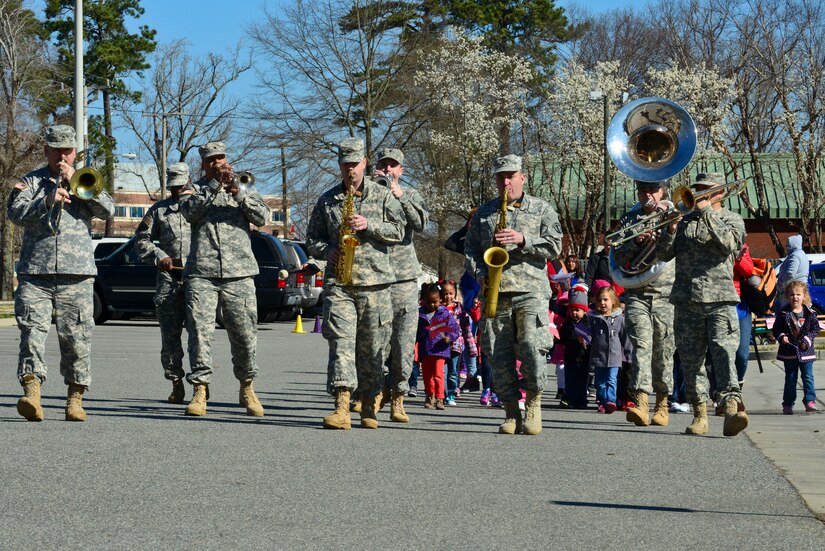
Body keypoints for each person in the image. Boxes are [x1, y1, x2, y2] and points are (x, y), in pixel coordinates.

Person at [9, 124, 115, 422]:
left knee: (76, 338)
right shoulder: (30, 181)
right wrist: (45, 200)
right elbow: (14, 213)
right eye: (56, 151)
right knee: (31, 333)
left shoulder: (87, 179)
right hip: (36, 273)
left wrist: (78, 184)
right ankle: (32, 393)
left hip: (76, 274)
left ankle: (75, 398)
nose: (62, 156)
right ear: (46, 150)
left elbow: (108, 210)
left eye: (67, 151)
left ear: (74, 152)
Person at [306, 137, 405, 430]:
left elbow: (399, 231)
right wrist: (327, 250)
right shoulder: (327, 199)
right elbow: (312, 240)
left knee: (373, 348)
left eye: (354, 164)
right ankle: (341, 406)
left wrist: (369, 225)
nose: (350, 170)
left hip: (376, 283)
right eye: (345, 164)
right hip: (340, 283)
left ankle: (370, 403)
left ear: (364, 163)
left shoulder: (383, 195)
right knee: (341, 344)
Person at [464, 154, 563, 435]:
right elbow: (470, 250)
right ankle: (510, 411)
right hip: (495, 291)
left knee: (532, 346)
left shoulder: (542, 209)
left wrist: (523, 240)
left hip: (531, 291)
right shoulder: (484, 212)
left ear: (522, 177)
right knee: (497, 354)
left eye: (510, 176)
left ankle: (533, 403)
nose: (505, 182)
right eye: (500, 177)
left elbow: (555, 246)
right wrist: (481, 273)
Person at [179, 141, 271, 417]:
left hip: (239, 273)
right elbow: (189, 212)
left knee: (244, 334)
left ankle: (247, 386)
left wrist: (239, 194)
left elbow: (263, 217)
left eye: (221, 158)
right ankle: (200, 389)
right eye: (211, 160)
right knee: (200, 333)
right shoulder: (194, 188)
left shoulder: (243, 186)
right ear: (204, 164)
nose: (217, 163)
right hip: (202, 273)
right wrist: (214, 187)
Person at [656, 172, 749, 436]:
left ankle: (731, 409)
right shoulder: (683, 220)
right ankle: (700, 414)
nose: (699, 193)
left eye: (707, 189)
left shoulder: (731, 219)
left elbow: (729, 244)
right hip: (686, 300)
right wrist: (670, 229)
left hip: (721, 299)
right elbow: (663, 254)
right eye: (697, 188)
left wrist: (707, 211)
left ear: (720, 192)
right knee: (691, 360)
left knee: (724, 355)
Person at [612, 179, 676, 427]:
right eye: (642, 190)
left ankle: (662, 403)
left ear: (663, 191)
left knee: (663, 350)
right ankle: (640, 402)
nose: (647, 195)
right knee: (641, 346)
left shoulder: (675, 216)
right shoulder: (629, 220)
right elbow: (617, 256)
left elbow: (672, 252)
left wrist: (669, 229)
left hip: (665, 293)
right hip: (637, 292)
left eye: (652, 190)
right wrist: (635, 242)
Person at [374, 147, 428, 422]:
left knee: (404, 343)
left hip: (403, 278)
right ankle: (374, 391)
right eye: (384, 164)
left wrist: (400, 195)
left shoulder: (410, 194)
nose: (387, 169)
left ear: (401, 170)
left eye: (392, 165)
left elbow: (420, 224)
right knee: (376, 341)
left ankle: (398, 396)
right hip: (375, 275)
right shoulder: (366, 192)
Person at [134, 162, 193, 404]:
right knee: (170, 336)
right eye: (173, 187)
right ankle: (176, 383)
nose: (177, 190)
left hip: (197, 277)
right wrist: (159, 255)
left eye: (180, 185)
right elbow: (141, 239)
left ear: (189, 181)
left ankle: (200, 385)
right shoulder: (159, 211)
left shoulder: (200, 207)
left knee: (199, 336)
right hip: (169, 278)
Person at [773, 280, 820, 414]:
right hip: (789, 351)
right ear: (787, 296)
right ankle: (788, 403)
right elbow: (776, 329)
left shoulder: (810, 313)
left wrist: (807, 339)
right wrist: (782, 336)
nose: (795, 297)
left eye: (798, 294)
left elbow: (815, 328)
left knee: (808, 377)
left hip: (806, 352)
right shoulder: (783, 313)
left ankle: (810, 401)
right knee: (791, 378)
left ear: (804, 296)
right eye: (792, 294)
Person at [587, 285, 632, 413]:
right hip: (598, 357)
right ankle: (602, 402)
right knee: (600, 382)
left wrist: (629, 355)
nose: (602, 303)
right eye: (600, 300)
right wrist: (585, 338)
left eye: (606, 300)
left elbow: (625, 338)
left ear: (613, 301)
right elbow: (588, 334)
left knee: (611, 380)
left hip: (614, 357)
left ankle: (611, 401)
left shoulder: (620, 319)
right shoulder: (593, 319)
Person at [417, 283, 460, 410]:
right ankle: (430, 396)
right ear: (423, 300)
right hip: (425, 350)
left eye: (435, 302)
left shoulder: (444, 314)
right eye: (429, 302)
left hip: (440, 350)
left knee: (439, 375)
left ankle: (440, 398)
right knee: (427, 376)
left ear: (440, 300)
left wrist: (449, 337)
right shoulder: (420, 314)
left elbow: (455, 329)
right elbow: (415, 332)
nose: (432, 305)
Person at [440, 279, 477, 405]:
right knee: (442, 372)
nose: (448, 296)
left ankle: (451, 393)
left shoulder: (459, 309)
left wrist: (471, 346)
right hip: (440, 346)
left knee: (453, 372)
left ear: (455, 293)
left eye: (450, 293)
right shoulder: (438, 307)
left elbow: (466, 328)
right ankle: (441, 394)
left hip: (456, 345)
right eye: (445, 293)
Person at [558, 284, 591, 409]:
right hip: (570, 356)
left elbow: (592, 338)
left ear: (584, 311)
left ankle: (581, 399)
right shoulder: (567, 323)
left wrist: (586, 341)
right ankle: (570, 398)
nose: (574, 313)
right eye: (572, 310)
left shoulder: (587, 323)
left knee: (582, 379)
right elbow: (562, 338)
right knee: (570, 378)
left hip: (583, 357)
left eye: (577, 310)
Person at [776, 234, 809, 309]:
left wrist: (781, 281)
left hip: (793, 288)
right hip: (798, 288)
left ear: (793, 244)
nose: (787, 247)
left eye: (788, 244)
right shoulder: (801, 254)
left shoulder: (795, 256)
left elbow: (790, 272)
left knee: (787, 309)